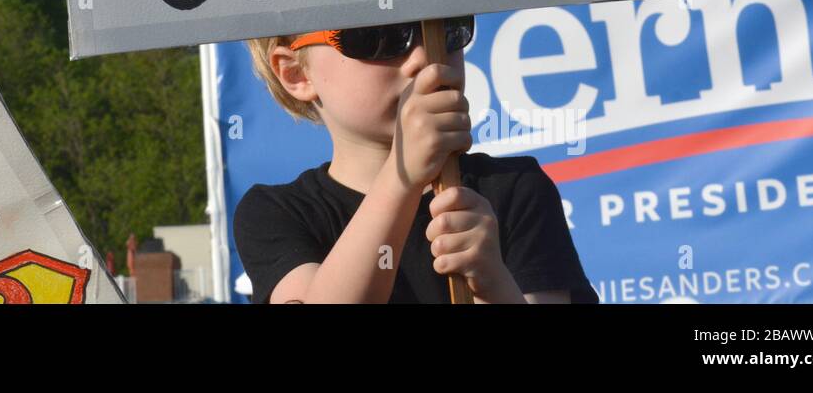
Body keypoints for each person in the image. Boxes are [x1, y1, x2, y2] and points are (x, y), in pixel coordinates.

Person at [232, 17, 599, 303]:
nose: (424, 57)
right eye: (377, 37)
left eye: (448, 29)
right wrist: (402, 175)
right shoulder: (274, 213)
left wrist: (493, 284)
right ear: (296, 74)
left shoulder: (516, 189)